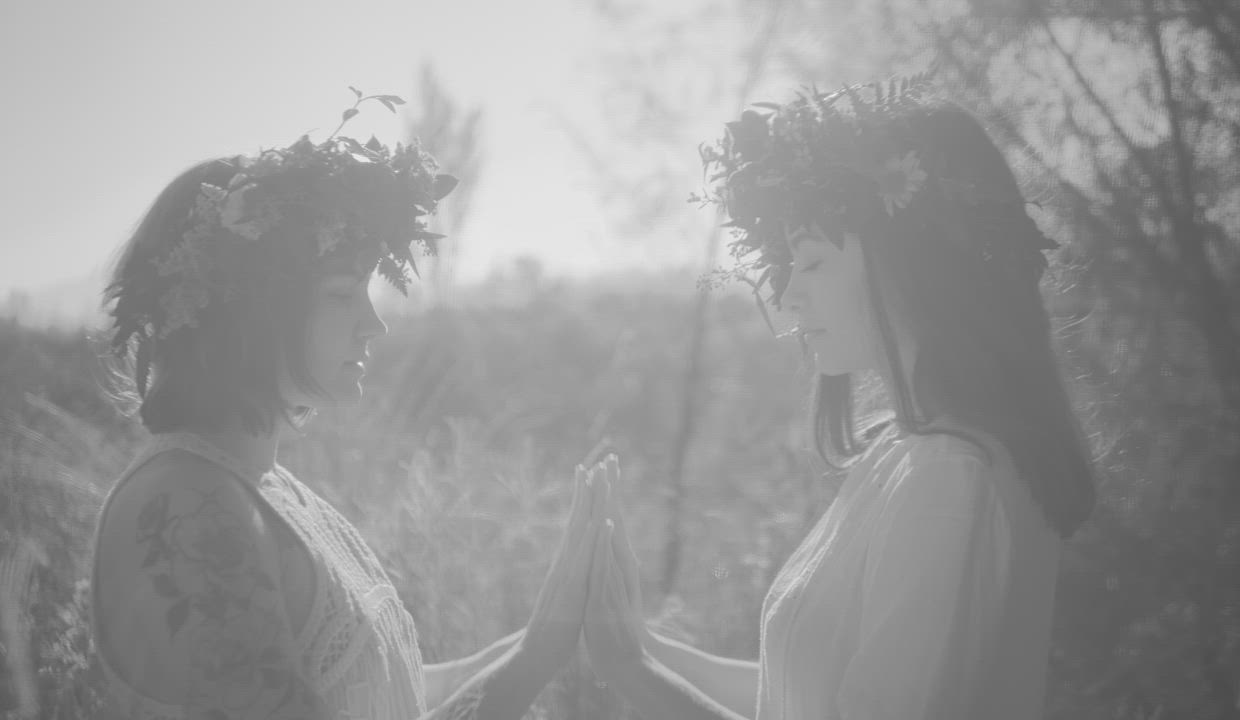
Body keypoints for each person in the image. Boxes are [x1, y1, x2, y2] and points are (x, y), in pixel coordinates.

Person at [577, 74, 1097, 719]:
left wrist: (634, 676)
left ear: (906, 265)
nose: (788, 295)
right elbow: (798, 691)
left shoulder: (948, 478)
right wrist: (639, 645)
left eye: (814, 262)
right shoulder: (907, 451)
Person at [90, 126, 606, 720]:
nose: (373, 324)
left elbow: (387, 692)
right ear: (250, 314)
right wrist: (536, 658)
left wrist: (542, 631)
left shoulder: (266, 488)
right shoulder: (188, 507)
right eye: (341, 295)